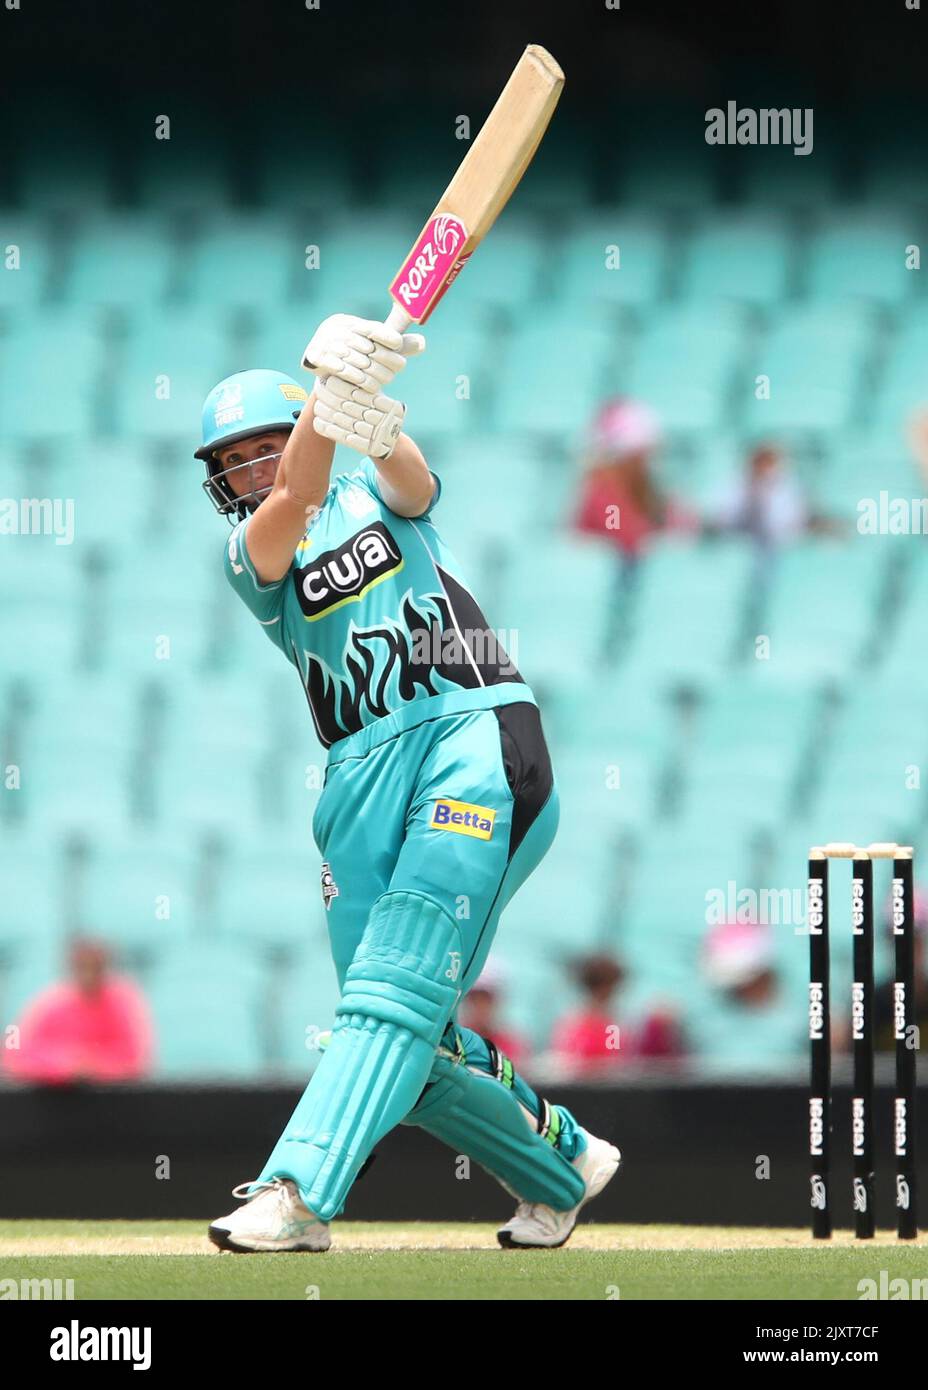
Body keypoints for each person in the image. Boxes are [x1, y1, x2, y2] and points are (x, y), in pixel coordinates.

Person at [199, 315, 620, 1252]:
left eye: (271, 443)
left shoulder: (376, 495)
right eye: (239, 460)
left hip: (471, 732)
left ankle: (297, 1193)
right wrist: (322, 402)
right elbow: (297, 497)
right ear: (221, 481)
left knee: (391, 995)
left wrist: (368, 412)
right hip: (357, 782)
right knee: (401, 1038)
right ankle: (562, 1163)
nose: (260, 468)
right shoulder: (251, 556)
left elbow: (414, 480)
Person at [2, 938, 153, 1084]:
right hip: (55, 1102)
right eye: (82, 967)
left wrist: (94, 1067)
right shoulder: (51, 1005)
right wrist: (65, 1065)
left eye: (95, 967)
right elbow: (14, 1055)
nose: (88, 975)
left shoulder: (123, 1003)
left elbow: (135, 1059)